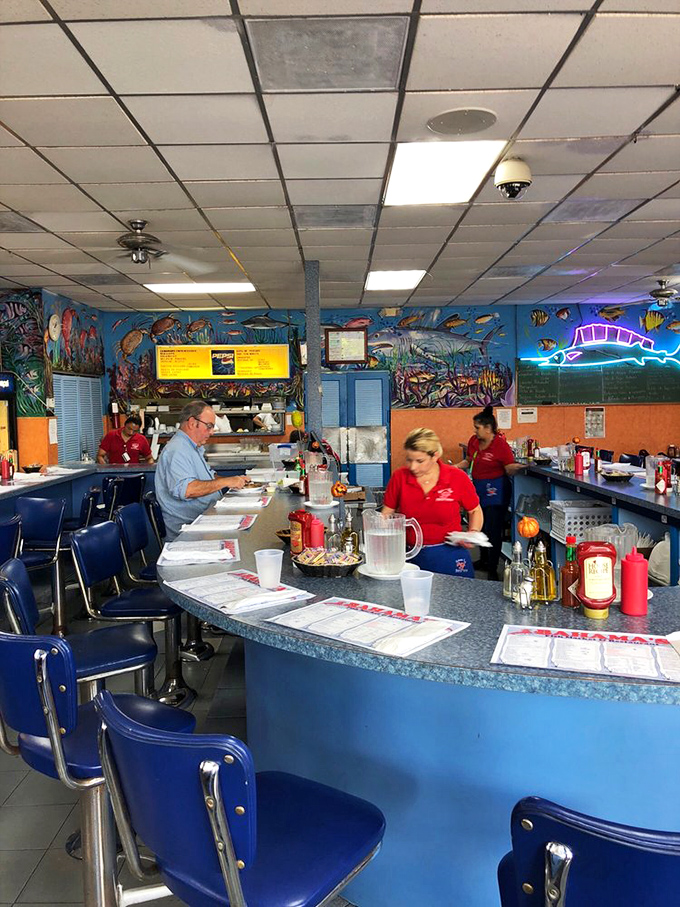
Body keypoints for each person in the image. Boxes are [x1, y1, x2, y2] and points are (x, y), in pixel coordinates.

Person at [382, 428, 483, 577]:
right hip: (411, 556)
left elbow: (475, 510)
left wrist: (473, 532)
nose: (413, 467)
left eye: (419, 461)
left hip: (450, 553)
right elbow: (386, 514)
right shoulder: (399, 478)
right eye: (409, 460)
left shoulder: (456, 477)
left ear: (435, 456)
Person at [155, 400, 248, 540]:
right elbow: (187, 490)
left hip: (205, 517)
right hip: (189, 529)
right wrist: (225, 482)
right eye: (209, 426)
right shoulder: (177, 450)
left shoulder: (192, 447)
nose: (212, 432)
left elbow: (208, 478)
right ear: (192, 423)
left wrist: (233, 481)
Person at [454, 405, 524, 581]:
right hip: (478, 488)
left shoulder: (500, 445)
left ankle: (493, 567)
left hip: (496, 490)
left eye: (478, 428)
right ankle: (483, 560)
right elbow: (469, 460)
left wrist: (522, 467)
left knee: (493, 529)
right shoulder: (474, 442)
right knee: (480, 526)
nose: (475, 431)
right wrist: (453, 468)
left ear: (488, 428)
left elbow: (508, 468)